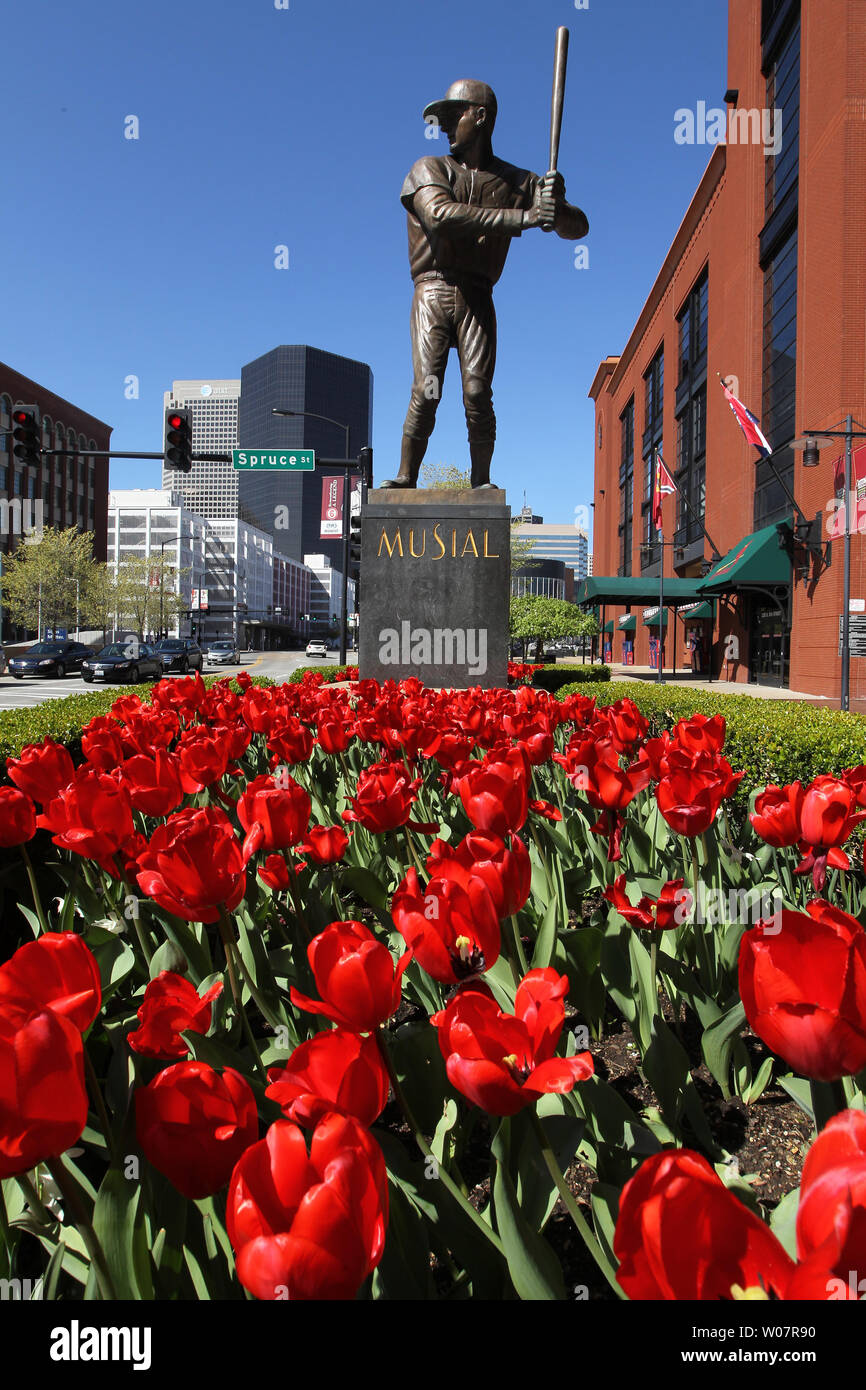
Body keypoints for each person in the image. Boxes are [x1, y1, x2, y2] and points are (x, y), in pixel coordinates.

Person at [383, 80, 588, 489]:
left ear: (479, 117)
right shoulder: (429, 168)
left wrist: (556, 205)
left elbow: (577, 227)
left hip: (478, 294)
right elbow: (441, 215)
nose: (444, 127)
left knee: (477, 393)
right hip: (433, 289)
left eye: (452, 116)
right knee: (427, 391)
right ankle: (406, 477)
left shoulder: (515, 181)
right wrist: (526, 218)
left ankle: (481, 481)